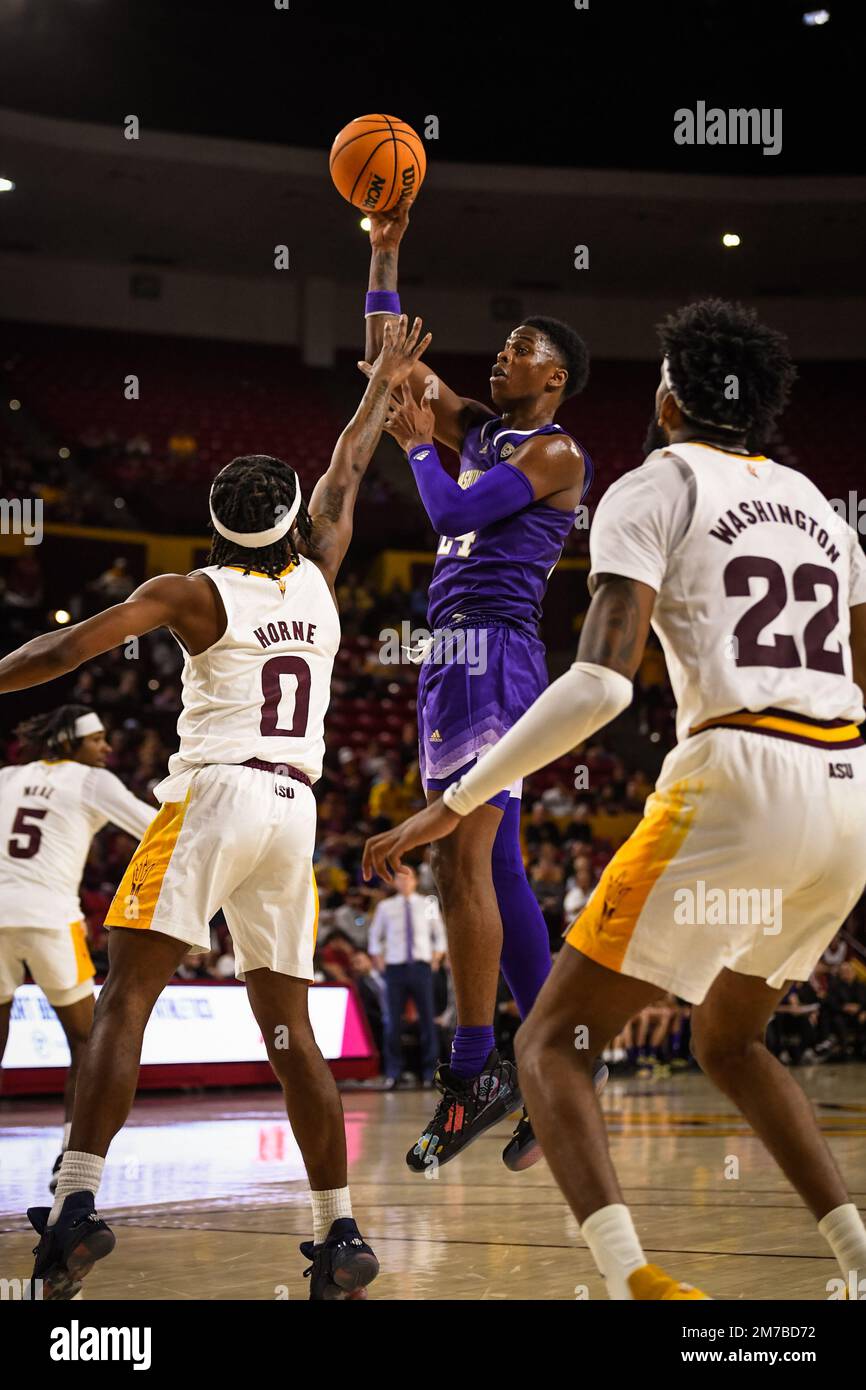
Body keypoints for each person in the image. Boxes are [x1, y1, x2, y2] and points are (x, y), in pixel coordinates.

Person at [363, 298, 866, 1300]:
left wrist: (451, 800)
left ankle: (632, 1278)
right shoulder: (820, 507)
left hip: (738, 772)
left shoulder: (654, 481)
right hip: (846, 791)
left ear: (671, 393)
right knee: (729, 1039)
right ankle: (856, 1260)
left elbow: (599, 682)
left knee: (548, 1043)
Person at [0, 313, 431, 1302]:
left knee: (125, 998)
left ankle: (75, 1201)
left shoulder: (191, 592)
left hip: (212, 794)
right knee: (288, 1031)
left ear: (215, 521)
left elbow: (63, 652)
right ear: (285, 520)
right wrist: (379, 383)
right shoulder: (323, 576)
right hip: (293, 814)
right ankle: (338, 1230)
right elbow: (345, 465)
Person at [362, 198, 603, 1174]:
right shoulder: (480, 426)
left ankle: (473, 1073)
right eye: (497, 350)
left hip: (497, 653)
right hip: (450, 654)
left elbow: (451, 510)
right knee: (493, 869)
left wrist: (417, 444)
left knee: (466, 866)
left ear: (551, 376)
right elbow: (394, 361)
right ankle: (551, 1071)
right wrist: (384, 251)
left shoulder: (553, 452)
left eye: (515, 351)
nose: (495, 360)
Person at [0, 705, 155, 1192]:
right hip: (49, 918)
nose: (107, 748)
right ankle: (71, 1154)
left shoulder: (6, 776)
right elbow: (155, 828)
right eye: (98, 740)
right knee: (87, 1040)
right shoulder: (93, 781)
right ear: (72, 741)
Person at [367, 866, 445, 1088]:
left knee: (428, 1020)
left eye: (408, 877)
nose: (404, 881)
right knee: (392, 1021)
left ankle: (430, 1072)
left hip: (421, 966)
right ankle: (394, 1072)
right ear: (394, 882)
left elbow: (439, 933)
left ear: (416, 880)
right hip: (395, 967)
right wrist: (378, 958)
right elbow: (375, 936)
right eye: (399, 877)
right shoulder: (385, 906)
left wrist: (437, 956)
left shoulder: (427, 903)